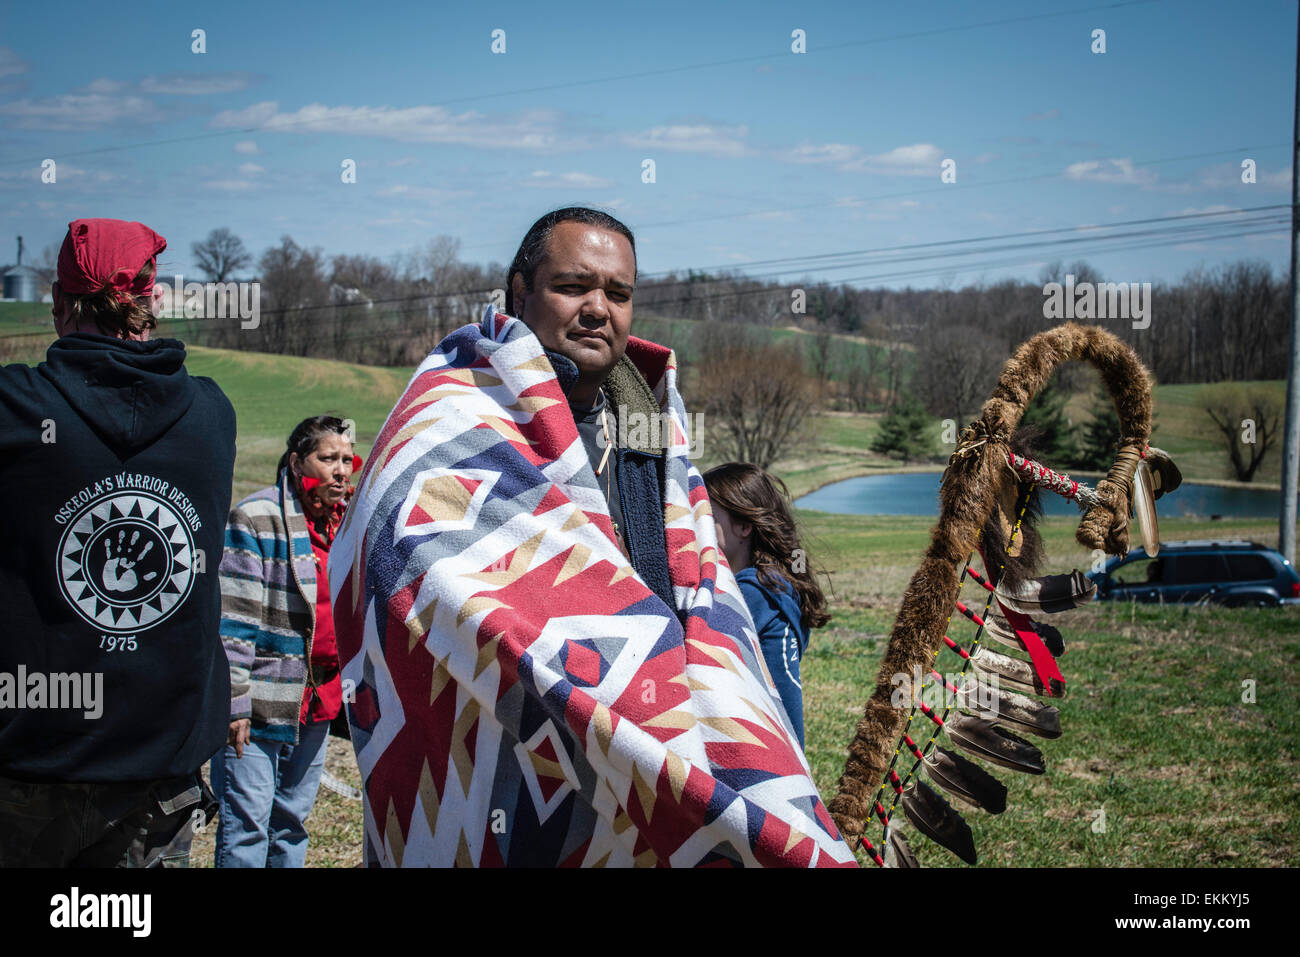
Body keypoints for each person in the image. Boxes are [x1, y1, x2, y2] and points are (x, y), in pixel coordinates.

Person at [330, 208, 856, 867]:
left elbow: (698, 584)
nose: (598, 308)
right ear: (519, 291)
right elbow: (400, 558)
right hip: (498, 744)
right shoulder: (453, 418)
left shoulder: (652, 429)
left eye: (619, 292)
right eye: (574, 286)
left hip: (647, 748)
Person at [0, 218, 236, 866]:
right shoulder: (211, 414)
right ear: (152, 303)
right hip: (163, 771)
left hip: (35, 766)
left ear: (56, 303)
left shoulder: (17, 408)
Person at [212, 416, 359, 867]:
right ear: (297, 462)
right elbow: (233, 623)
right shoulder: (256, 519)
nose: (340, 470)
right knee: (247, 827)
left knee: (291, 826)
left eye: (346, 460)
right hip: (260, 702)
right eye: (327, 458)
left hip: (318, 700)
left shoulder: (350, 524)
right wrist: (233, 704)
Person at [703, 463, 831, 747]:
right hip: (777, 751)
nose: (697, 526)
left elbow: (703, 652)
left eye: (708, 517)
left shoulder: (755, 594)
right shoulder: (772, 583)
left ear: (744, 526)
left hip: (768, 749)